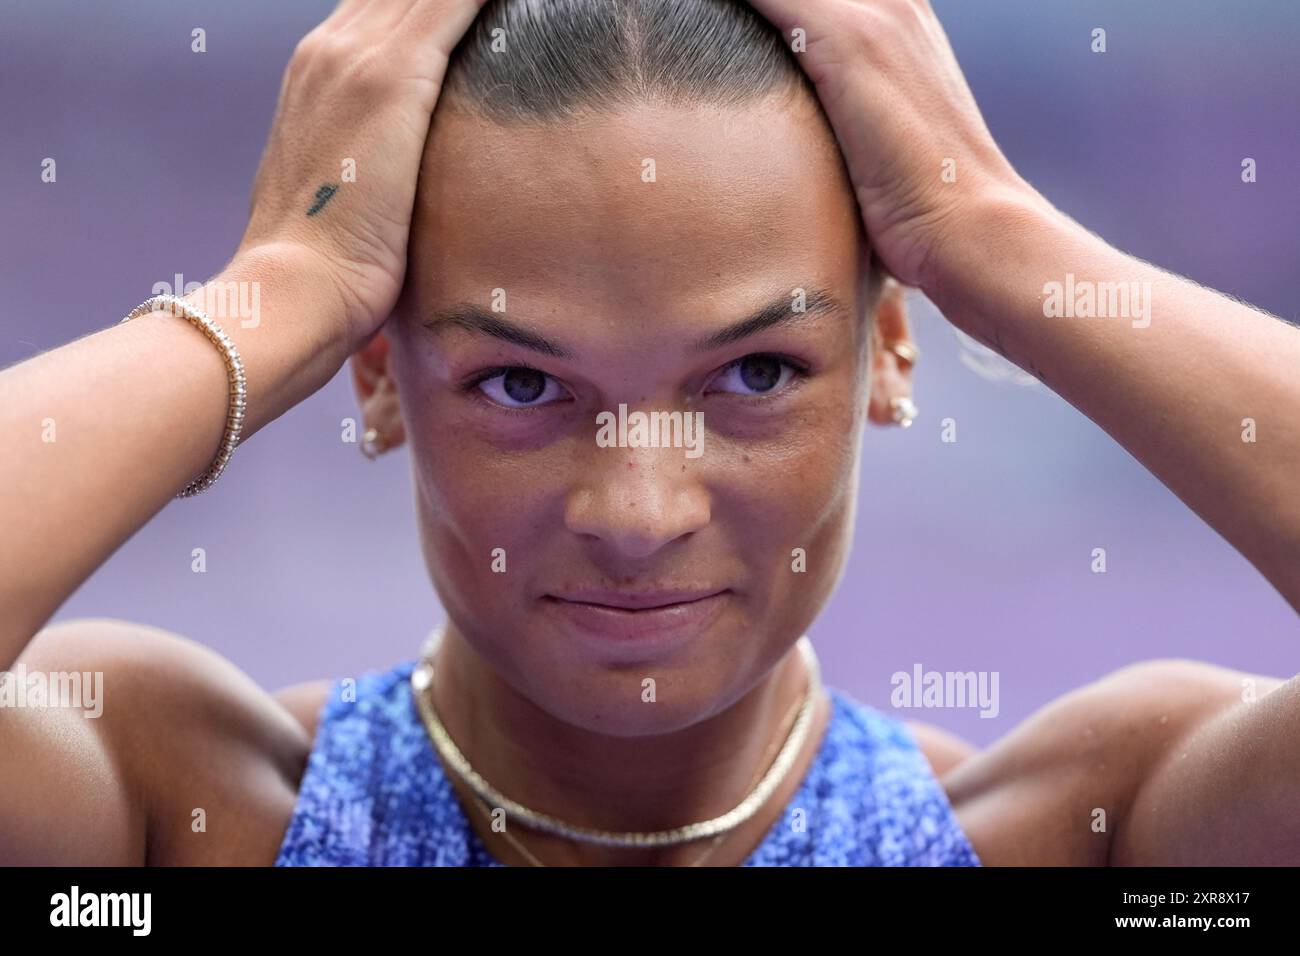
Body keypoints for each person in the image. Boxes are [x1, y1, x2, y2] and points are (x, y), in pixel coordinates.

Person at [1, 0, 1297, 867]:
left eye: (755, 371)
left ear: (894, 347)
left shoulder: (1085, 836)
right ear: (376, 378)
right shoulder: (182, 811)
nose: (638, 513)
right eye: (520, 385)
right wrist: (275, 293)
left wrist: (1003, 243)